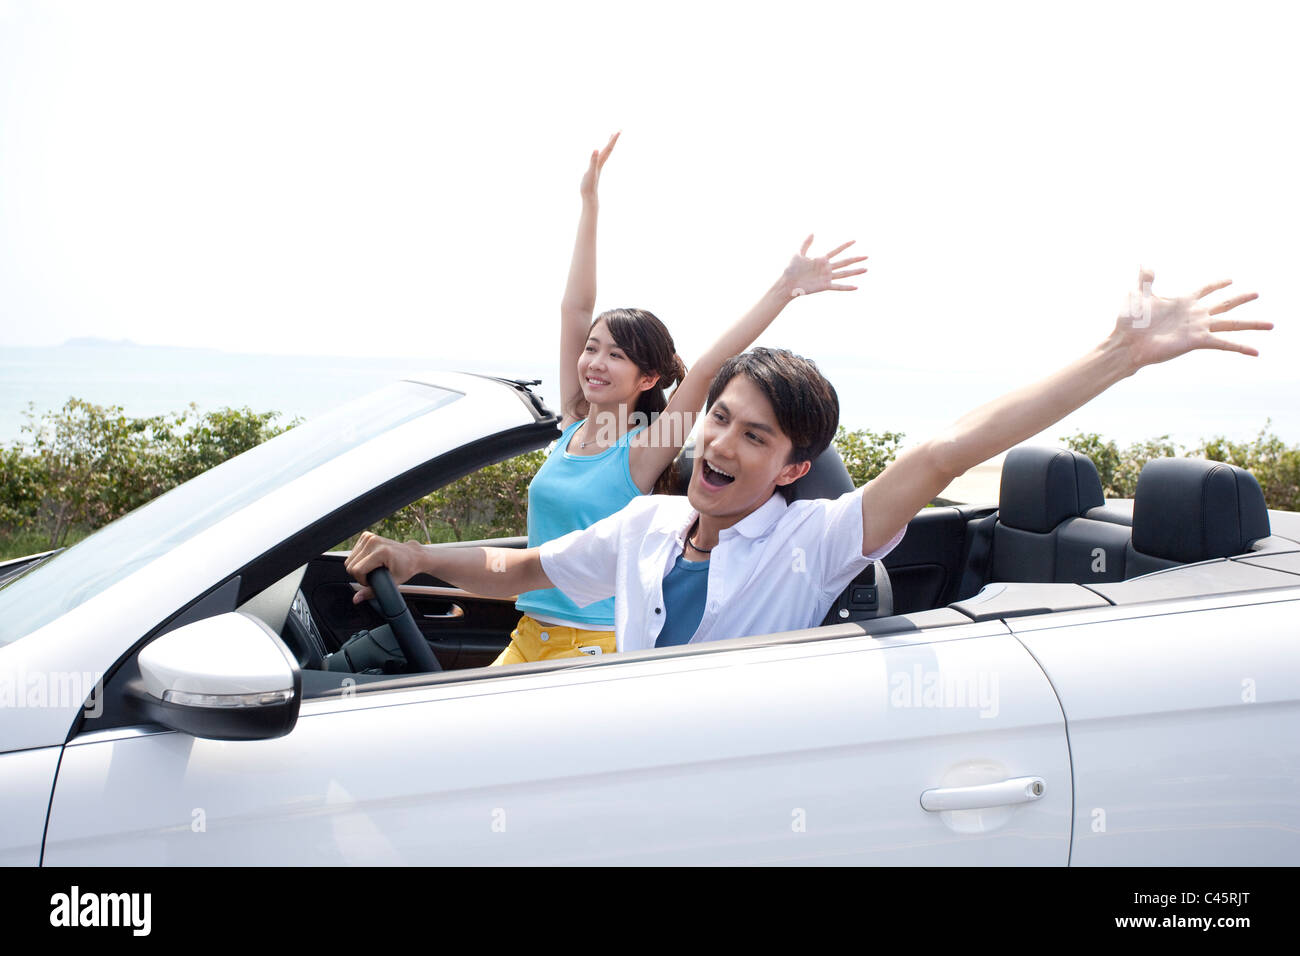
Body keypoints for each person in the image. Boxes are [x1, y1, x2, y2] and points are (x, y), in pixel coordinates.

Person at [349, 269, 1269, 656]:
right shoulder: (649, 524)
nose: (720, 446)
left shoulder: (818, 540)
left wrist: (1119, 353)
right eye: (720, 421)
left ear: (793, 468)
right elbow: (520, 567)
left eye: (757, 438)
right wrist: (416, 556)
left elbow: (950, 449)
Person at [491, 132, 867, 664]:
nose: (595, 361)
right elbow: (575, 308)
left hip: (590, 646)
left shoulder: (646, 448)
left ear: (648, 378)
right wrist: (589, 204)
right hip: (529, 633)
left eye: (616, 356)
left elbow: (712, 364)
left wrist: (784, 289)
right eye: (592, 349)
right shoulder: (574, 421)